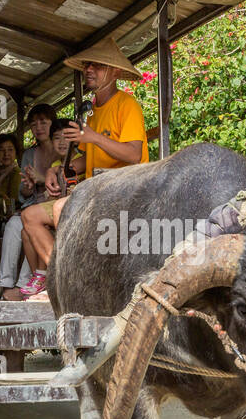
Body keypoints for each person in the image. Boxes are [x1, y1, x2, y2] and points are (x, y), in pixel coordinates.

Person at [18, 37, 149, 301]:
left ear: (113, 72)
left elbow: (134, 154)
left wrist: (94, 137)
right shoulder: (92, 114)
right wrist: (57, 171)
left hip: (125, 193)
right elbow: (88, 159)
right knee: (29, 217)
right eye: (88, 65)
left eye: (97, 66)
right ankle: (62, 279)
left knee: (59, 208)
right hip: (95, 191)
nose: (89, 70)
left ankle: (73, 280)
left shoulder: (127, 105)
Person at [0, 104, 56, 300]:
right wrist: (29, 186)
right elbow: (23, 194)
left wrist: (41, 179)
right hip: (32, 206)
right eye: (34, 124)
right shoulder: (29, 154)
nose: (38, 127)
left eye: (43, 122)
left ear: (53, 124)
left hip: (52, 206)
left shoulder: (62, 149)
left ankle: (24, 286)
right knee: (14, 225)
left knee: (30, 228)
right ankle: (5, 284)